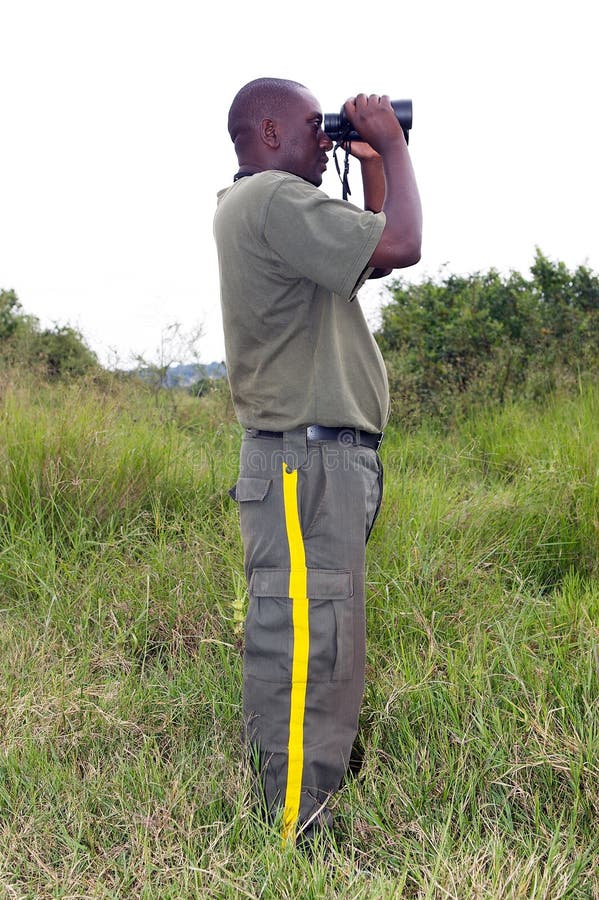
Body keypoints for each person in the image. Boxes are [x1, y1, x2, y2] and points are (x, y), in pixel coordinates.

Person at [213, 77, 422, 845]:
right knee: (306, 639)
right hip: (304, 462)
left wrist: (368, 162)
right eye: (314, 125)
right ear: (268, 134)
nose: (324, 134)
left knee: (319, 632)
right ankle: (294, 834)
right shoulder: (270, 198)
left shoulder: (272, 210)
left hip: (318, 463)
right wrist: (394, 148)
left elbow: (375, 256)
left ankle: (309, 798)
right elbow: (403, 241)